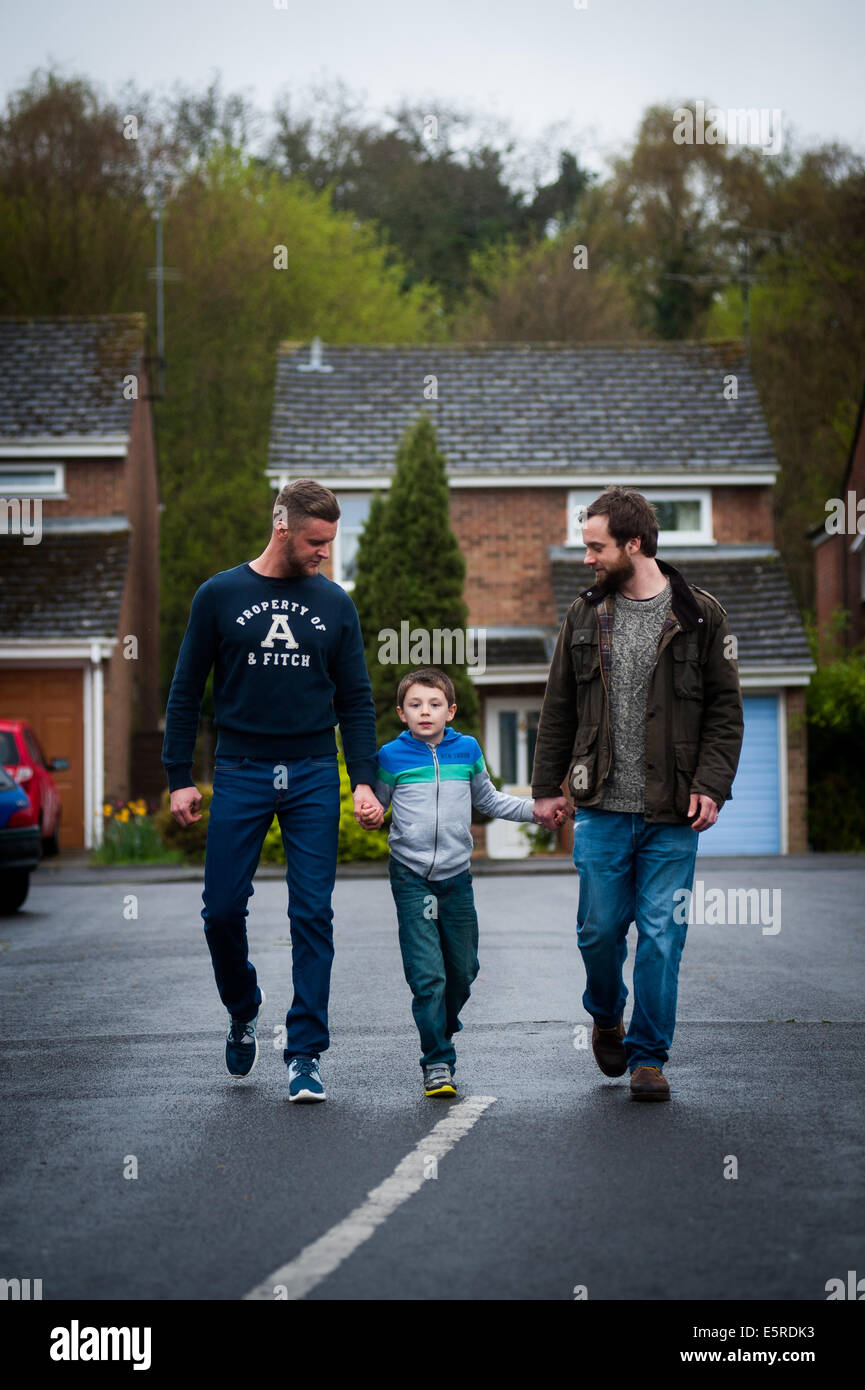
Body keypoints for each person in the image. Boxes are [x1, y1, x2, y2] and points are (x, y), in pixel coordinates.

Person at [162, 479, 382, 1102]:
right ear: (282, 526)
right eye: (316, 542)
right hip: (241, 769)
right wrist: (179, 776)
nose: (325, 553)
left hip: (313, 770)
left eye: (331, 541)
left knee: (312, 913)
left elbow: (356, 699)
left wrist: (364, 779)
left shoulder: (335, 604)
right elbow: (186, 690)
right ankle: (243, 1005)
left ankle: (305, 1051)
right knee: (221, 909)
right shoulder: (219, 595)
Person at [531, 487, 743, 1101]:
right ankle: (606, 1015)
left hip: (672, 812)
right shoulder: (583, 614)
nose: (587, 558)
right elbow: (558, 707)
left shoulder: (701, 616)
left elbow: (725, 712)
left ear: (634, 543)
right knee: (598, 933)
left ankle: (649, 1057)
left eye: (596, 547)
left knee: (661, 937)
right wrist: (546, 788)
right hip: (600, 807)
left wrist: (712, 785)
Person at [359, 667, 566, 1097]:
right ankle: (437, 1060)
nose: (425, 712)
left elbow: (488, 799)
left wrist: (536, 811)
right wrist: (371, 815)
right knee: (427, 976)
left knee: (464, 970)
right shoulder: (391, 757)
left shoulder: (467, 750)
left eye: (434, 704)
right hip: (411, 876)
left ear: (450, 711)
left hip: (456, 877)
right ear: (401, 713)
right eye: (415, 705)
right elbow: (378, 807)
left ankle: (441, 1024)